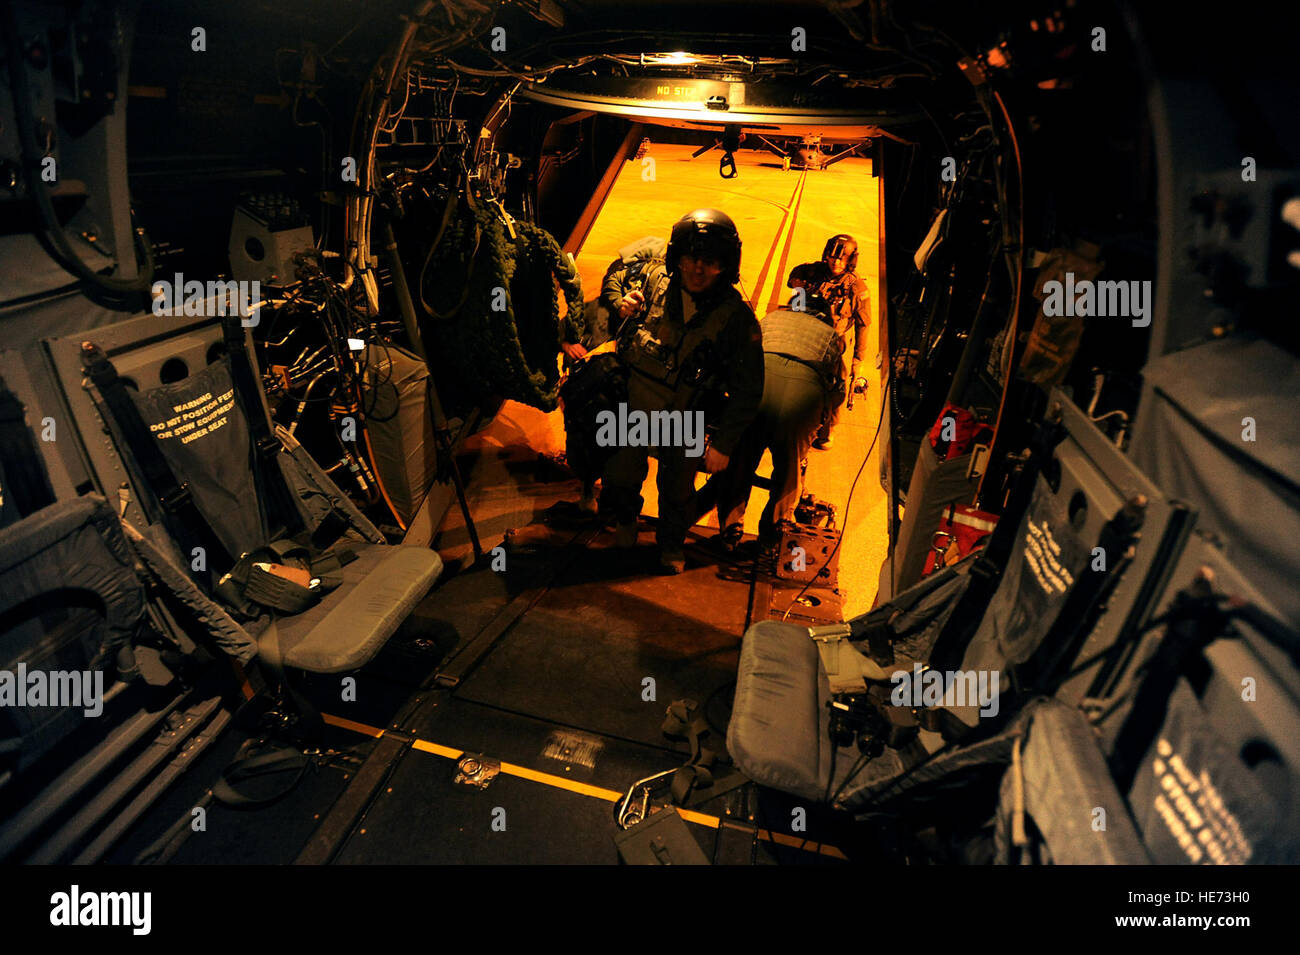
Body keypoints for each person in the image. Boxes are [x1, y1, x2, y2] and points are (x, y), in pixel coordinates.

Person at [599, 209, 764, 574]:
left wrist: (723, 444)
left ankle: (671, 544)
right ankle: (626, 519)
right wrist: (620, 306)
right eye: (690, 259)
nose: (698, 270)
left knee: (676, 491)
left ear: (727, 266)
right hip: (635, 407)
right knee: (620, 476)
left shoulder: (736, 318)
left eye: (710, 262)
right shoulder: (654, 282)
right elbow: (612, 280)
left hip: (686, 415)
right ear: (678, 258)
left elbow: (748, 387)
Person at [712, 293, 845, 550]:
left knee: (741, 461)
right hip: (803, 396)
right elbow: (837, 392)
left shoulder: (771, 318)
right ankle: (772, 539)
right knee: (789, 471)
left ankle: (730, 530)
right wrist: (824, 430)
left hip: (760, 385)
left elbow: (741, 357)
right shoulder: (831, 335)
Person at [559, 237, 666, 513]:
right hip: (597, 397)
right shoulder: (604, 311)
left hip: (629, 399)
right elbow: (561, 333)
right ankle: (590, 490)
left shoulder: (663, 314)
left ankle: (608, 498)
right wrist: (568, 345)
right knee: (593, 443)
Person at [787, 233, 871, 449]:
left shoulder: (856, 288)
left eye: (841, 259)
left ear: (850, 261)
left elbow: (864, 326)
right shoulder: (814, 272)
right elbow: (794, 277)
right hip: (804, 335)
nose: (835, 262)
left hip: (834, 342)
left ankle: (829, 430)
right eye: (832, 257)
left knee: (838, 388)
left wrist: (858, 363)